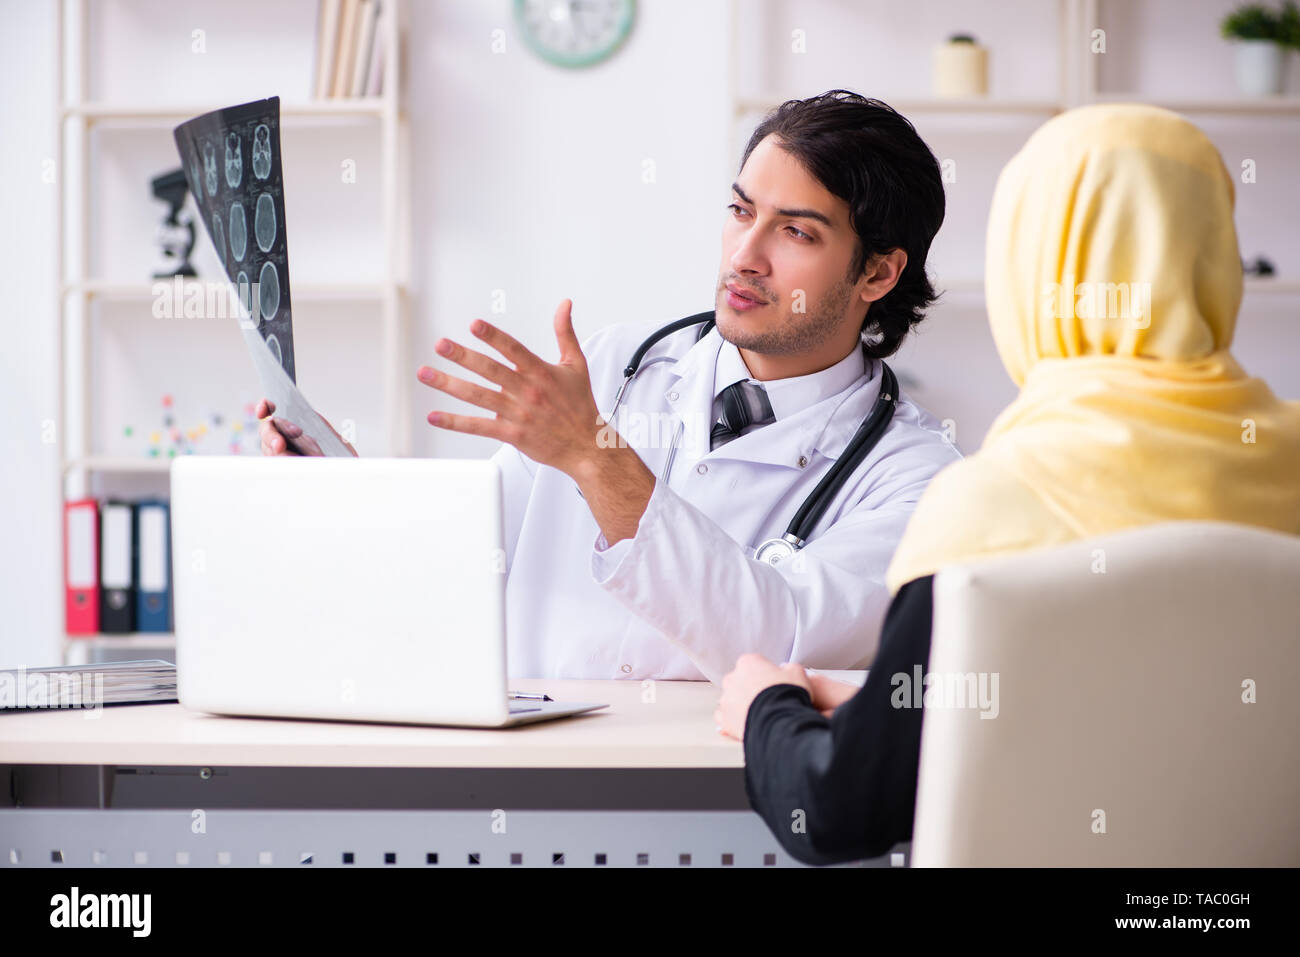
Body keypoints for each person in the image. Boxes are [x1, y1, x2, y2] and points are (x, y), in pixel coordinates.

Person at [716, 102, 1300, 864]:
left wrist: (770, 706)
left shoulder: (995, 504)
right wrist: (891, 712)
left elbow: (842, 808)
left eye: (795, 228)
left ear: (1031, 263)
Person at [260, 90, 961, 682]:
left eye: (797, 234)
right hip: (519, 780)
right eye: (742, 211)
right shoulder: (614, 369)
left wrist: (594, 458)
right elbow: (459, 559)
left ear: (877, 274)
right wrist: (339, 488)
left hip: (723, 810)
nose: (745, 257)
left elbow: (780, 636)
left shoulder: (919, 479)